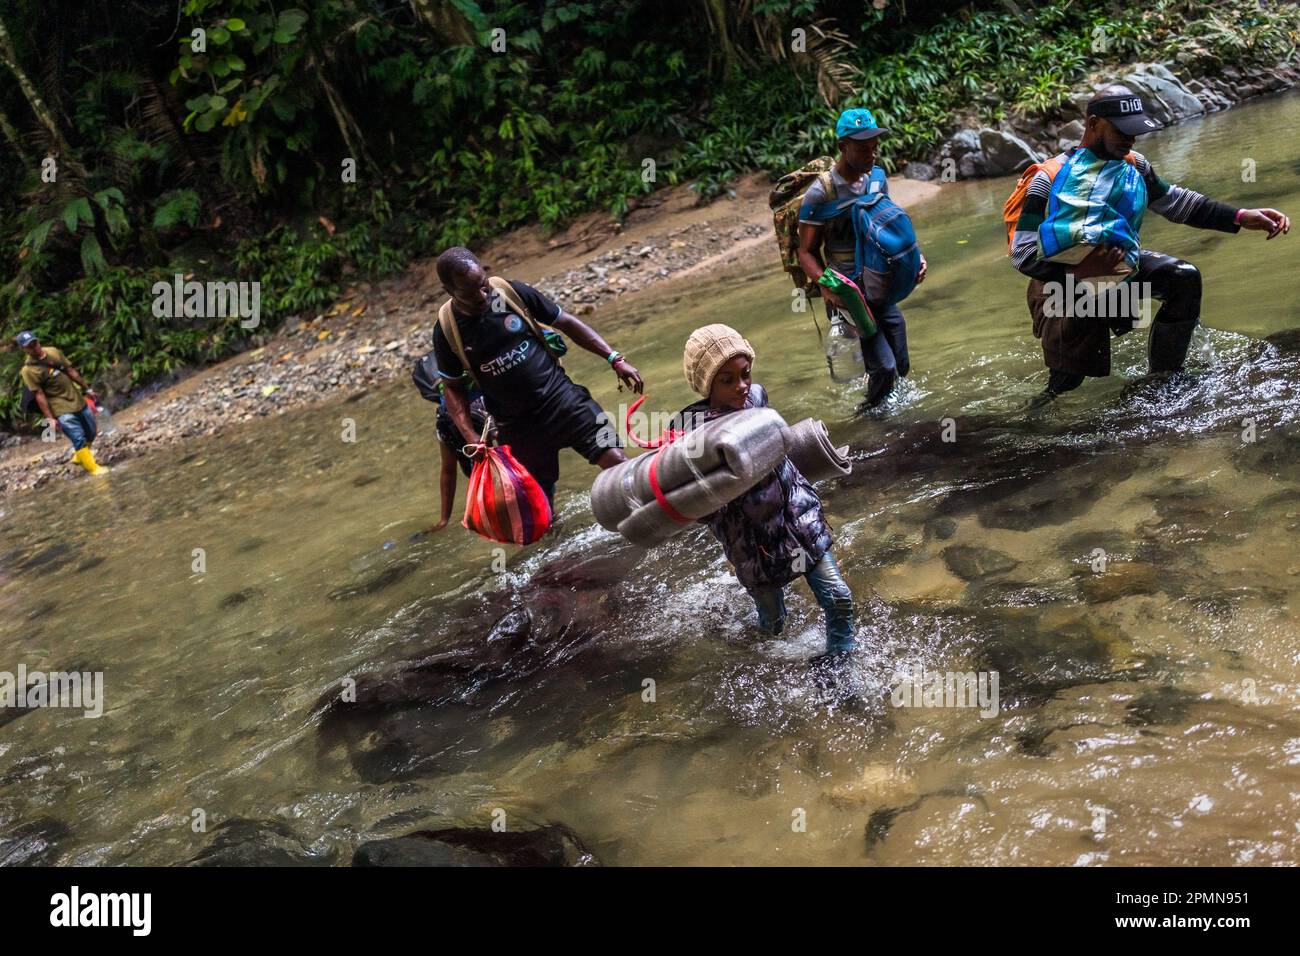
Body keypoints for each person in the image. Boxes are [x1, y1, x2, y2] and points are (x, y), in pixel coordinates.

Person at [1011, 85, 1291, 400]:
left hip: (1118, 267)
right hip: (1061, 286)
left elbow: (1175, 202)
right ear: (1092, 124)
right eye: (1122, 131)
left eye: (1135, 132)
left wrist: (1239, 216)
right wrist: (1081, 271)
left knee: (1182, 278)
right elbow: (1022, 254)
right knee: (1066, 384)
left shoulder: (1134, 164)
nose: (1131, 139)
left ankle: (1162, 381)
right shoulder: (1047, 179)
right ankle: (1034, 416)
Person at [677, 324, 855, 668]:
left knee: (838, 598)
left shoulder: (757, 398)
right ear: (705, 385)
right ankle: (763, 661)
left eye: (745, 374)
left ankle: (839, 665)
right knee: (773, 622)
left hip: (800, 522)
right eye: (727, 380)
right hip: (753, 545)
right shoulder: (695, 439)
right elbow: (699, 507)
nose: (741, 386)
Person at [431, 247, 643, 504]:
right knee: (538, 511)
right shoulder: (447, 329)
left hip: (562, 400)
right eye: (469, 291)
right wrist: (470, 436)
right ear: (449, 291)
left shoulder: (509, 294)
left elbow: (565, 322)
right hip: (517, 426)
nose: (482, 295)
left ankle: (658, 517)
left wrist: (614, 358)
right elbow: (452, 388)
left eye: (482, 283)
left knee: (620, 466)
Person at [797, 107, 927, 410]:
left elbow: (890, 228)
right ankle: (869, 420)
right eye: (863, 147)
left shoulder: (877, 179)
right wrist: (829, 289)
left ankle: (893, 412)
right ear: (844, 147)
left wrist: (916, 260)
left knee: (900, 357)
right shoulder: (821, 194)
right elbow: (805, 252)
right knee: (883, 366)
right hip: (848, 293)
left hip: (878, 283)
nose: (871, 153)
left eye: (874, 146)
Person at [14, 331, 107, 475]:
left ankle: (79, 456)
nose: (34, 347)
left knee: (91, 432)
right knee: (78, 437)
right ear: (23, 349)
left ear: (38, 341)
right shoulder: (28, 370)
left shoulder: (53, 352)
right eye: (30, 346)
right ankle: (94, 469)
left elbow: (70, 370)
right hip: (59, 407)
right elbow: (39, 394)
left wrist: (87, 389)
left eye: (35, 343)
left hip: (76, 399)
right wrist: (50, 418)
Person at [427, 381, 490, 532]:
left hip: (477, 406)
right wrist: (444, 520)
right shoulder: (445, 428)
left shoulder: (486, 418)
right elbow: (448, 472)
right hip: (455, 414)